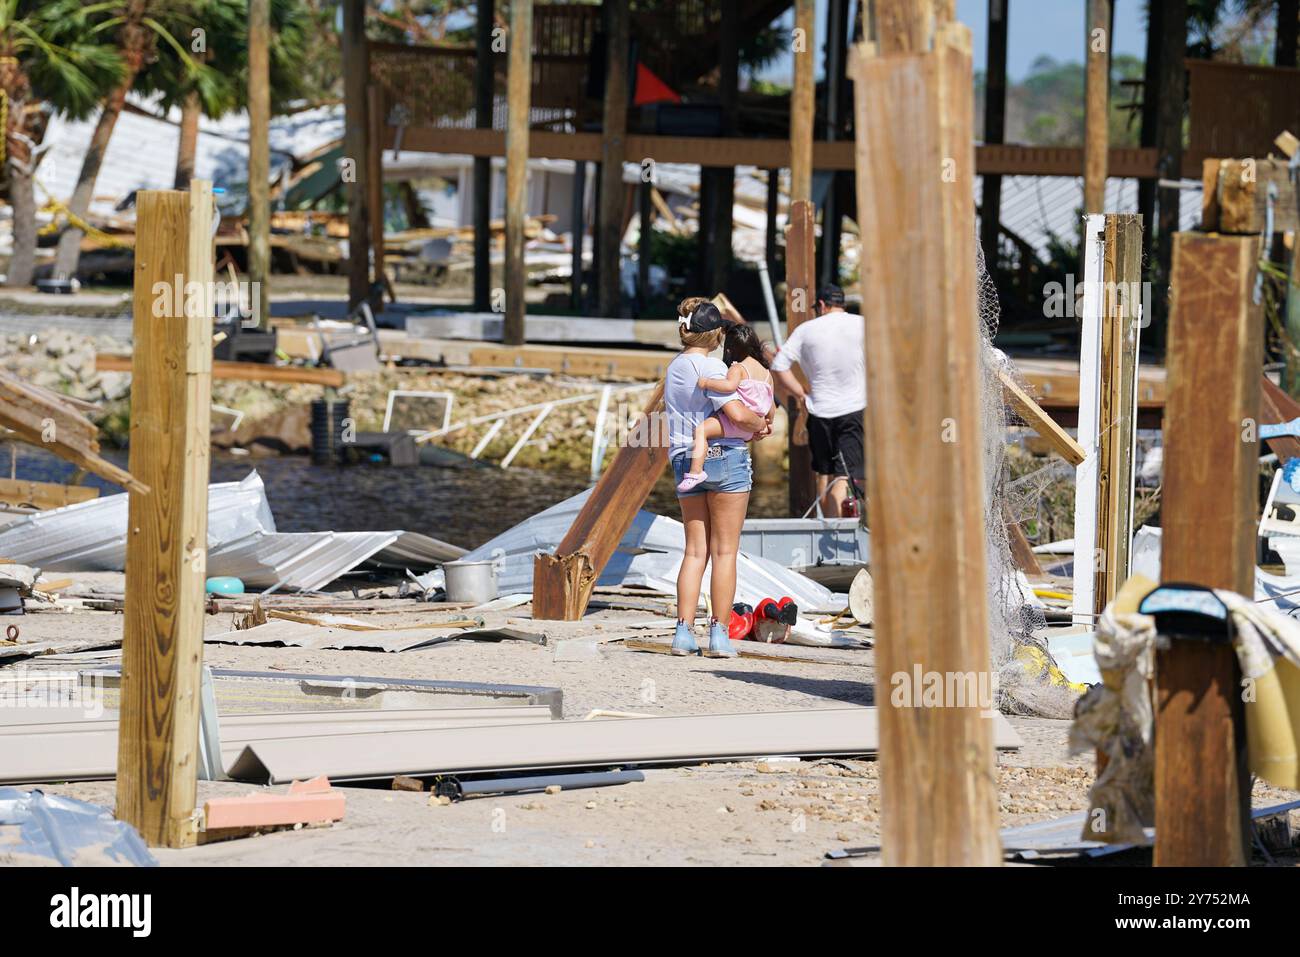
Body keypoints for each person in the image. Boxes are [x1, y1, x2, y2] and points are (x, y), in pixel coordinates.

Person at [664, 298, 771, 658]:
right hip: (724, 457)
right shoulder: (710, 367)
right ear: (715, 335)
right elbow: (738, 414)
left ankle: (682, 633)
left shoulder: (675, 366)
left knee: (695, 551)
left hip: (684, 458)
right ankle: (720, 636)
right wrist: (761, 425)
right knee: (725, 552)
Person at [769, 283, 866, 516]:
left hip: (818, 410)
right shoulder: (862, 325)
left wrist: (801, 394)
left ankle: (825, 526)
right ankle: (840, 533)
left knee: (824, 473)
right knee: (844, 477)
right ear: (842, 303)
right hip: (853, 409)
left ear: (821, 305)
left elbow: (779, 365)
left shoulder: (806, 329)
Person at [676, 322, 775, 494]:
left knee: (701, 430)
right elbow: (771, 405)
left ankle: (695, 472)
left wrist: (707, 383)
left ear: (730, 349)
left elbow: (729, 386)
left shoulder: (738, 367)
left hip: (733, 424)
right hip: (748, 431)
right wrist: (767, 423)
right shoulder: (767, 373)